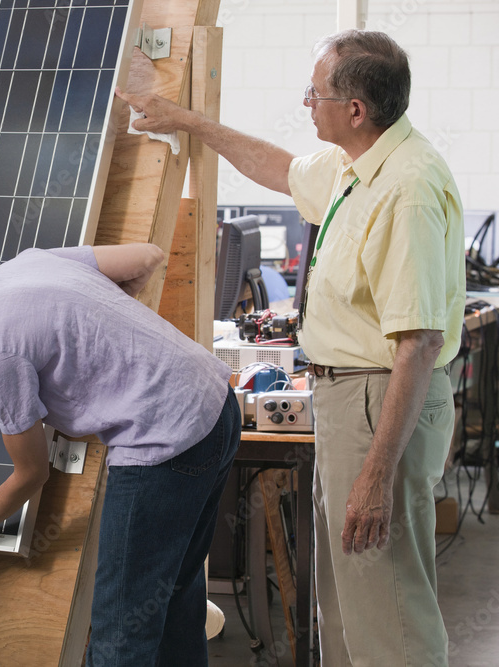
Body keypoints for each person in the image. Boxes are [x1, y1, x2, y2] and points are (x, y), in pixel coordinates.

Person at [117, 29, 464, 665]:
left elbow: (418, 342)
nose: (307, 103)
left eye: (315, 93)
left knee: (386, 602)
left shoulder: (405, 189)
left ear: (355, 110)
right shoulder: (357, 165)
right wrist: (185, 121)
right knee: (350, 596)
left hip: (380, 398)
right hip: (349, 395)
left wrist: (376, 476)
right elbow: (278, 168)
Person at [0, 243, 240, 666]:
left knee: (120, 628)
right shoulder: (24, 264)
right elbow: (147, 255)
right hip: (217, 405)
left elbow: (31, 473)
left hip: (164, 441)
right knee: (173, 601)